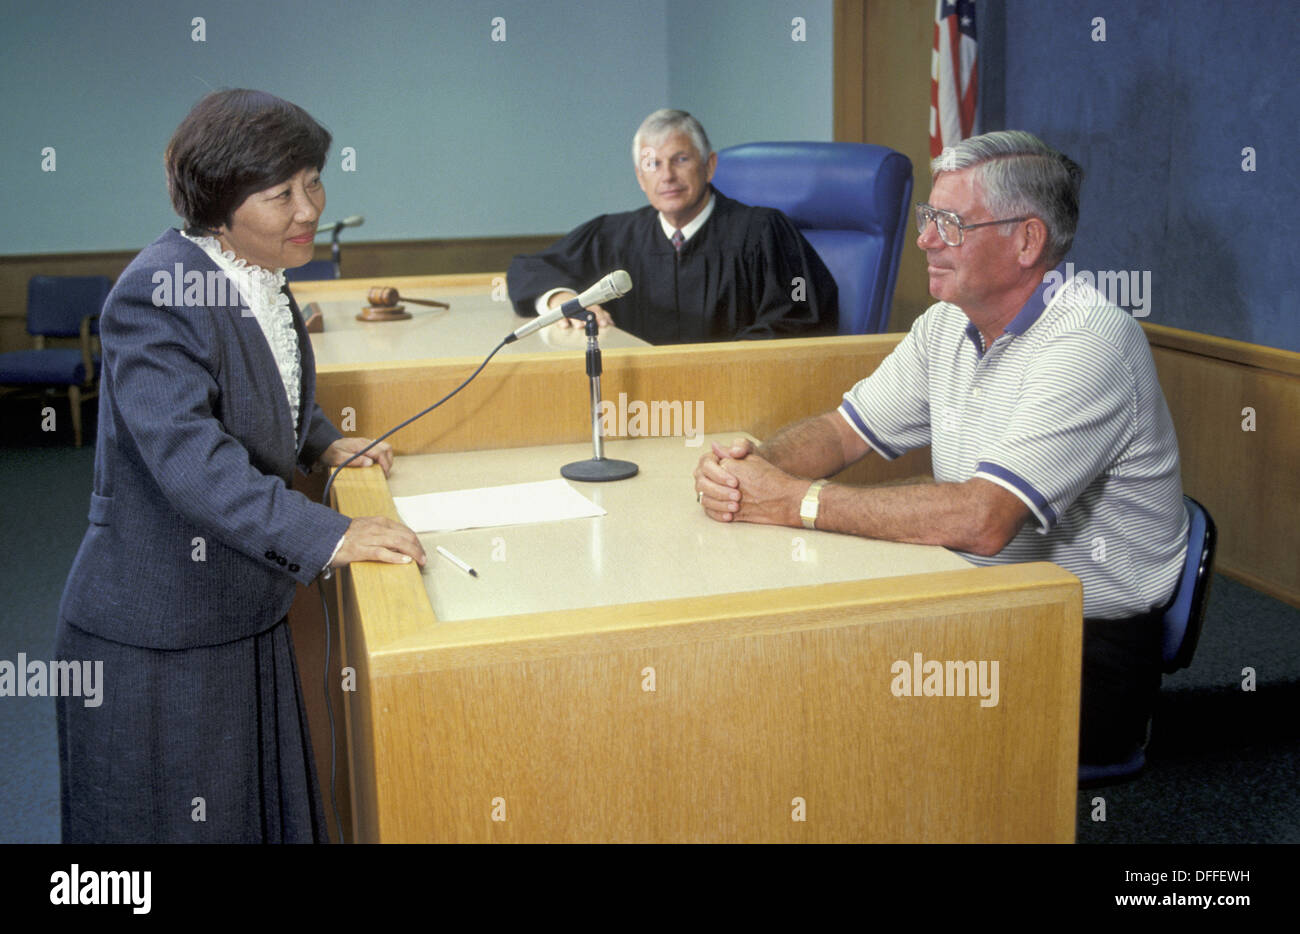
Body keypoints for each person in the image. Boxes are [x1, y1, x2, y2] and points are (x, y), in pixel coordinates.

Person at [693, 130, 1187, 767]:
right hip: (978, 603)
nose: (924, 238)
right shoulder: (946, 323)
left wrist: (797, 503)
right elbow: (845, 430)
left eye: (950, 222)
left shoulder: (1091, 341)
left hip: (1080, 647)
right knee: (792, 667)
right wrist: (751, 467)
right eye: (929, 218)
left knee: (829, 708)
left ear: (1027, 240)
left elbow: (983, 522)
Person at [55, 89, 426, 843]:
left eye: (313, 181)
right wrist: (330, 534)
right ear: (218, 205)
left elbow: (261, 381)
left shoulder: (256, 272)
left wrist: (321, 441)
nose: (308, 209)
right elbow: (194, 462)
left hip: (235, 614)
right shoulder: (157, 292)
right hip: (159, 637)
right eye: (279, 193)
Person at [507, 109, 838, 344]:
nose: (667, 176)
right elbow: (529, 268)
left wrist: (714, 368)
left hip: (735, 402)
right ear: (640, 178)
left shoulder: (764, 233)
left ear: (709, 166)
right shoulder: (616, 235)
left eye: (681, 160)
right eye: (652, 164)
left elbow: (800, 317)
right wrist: (564, 300)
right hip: (638, 403)